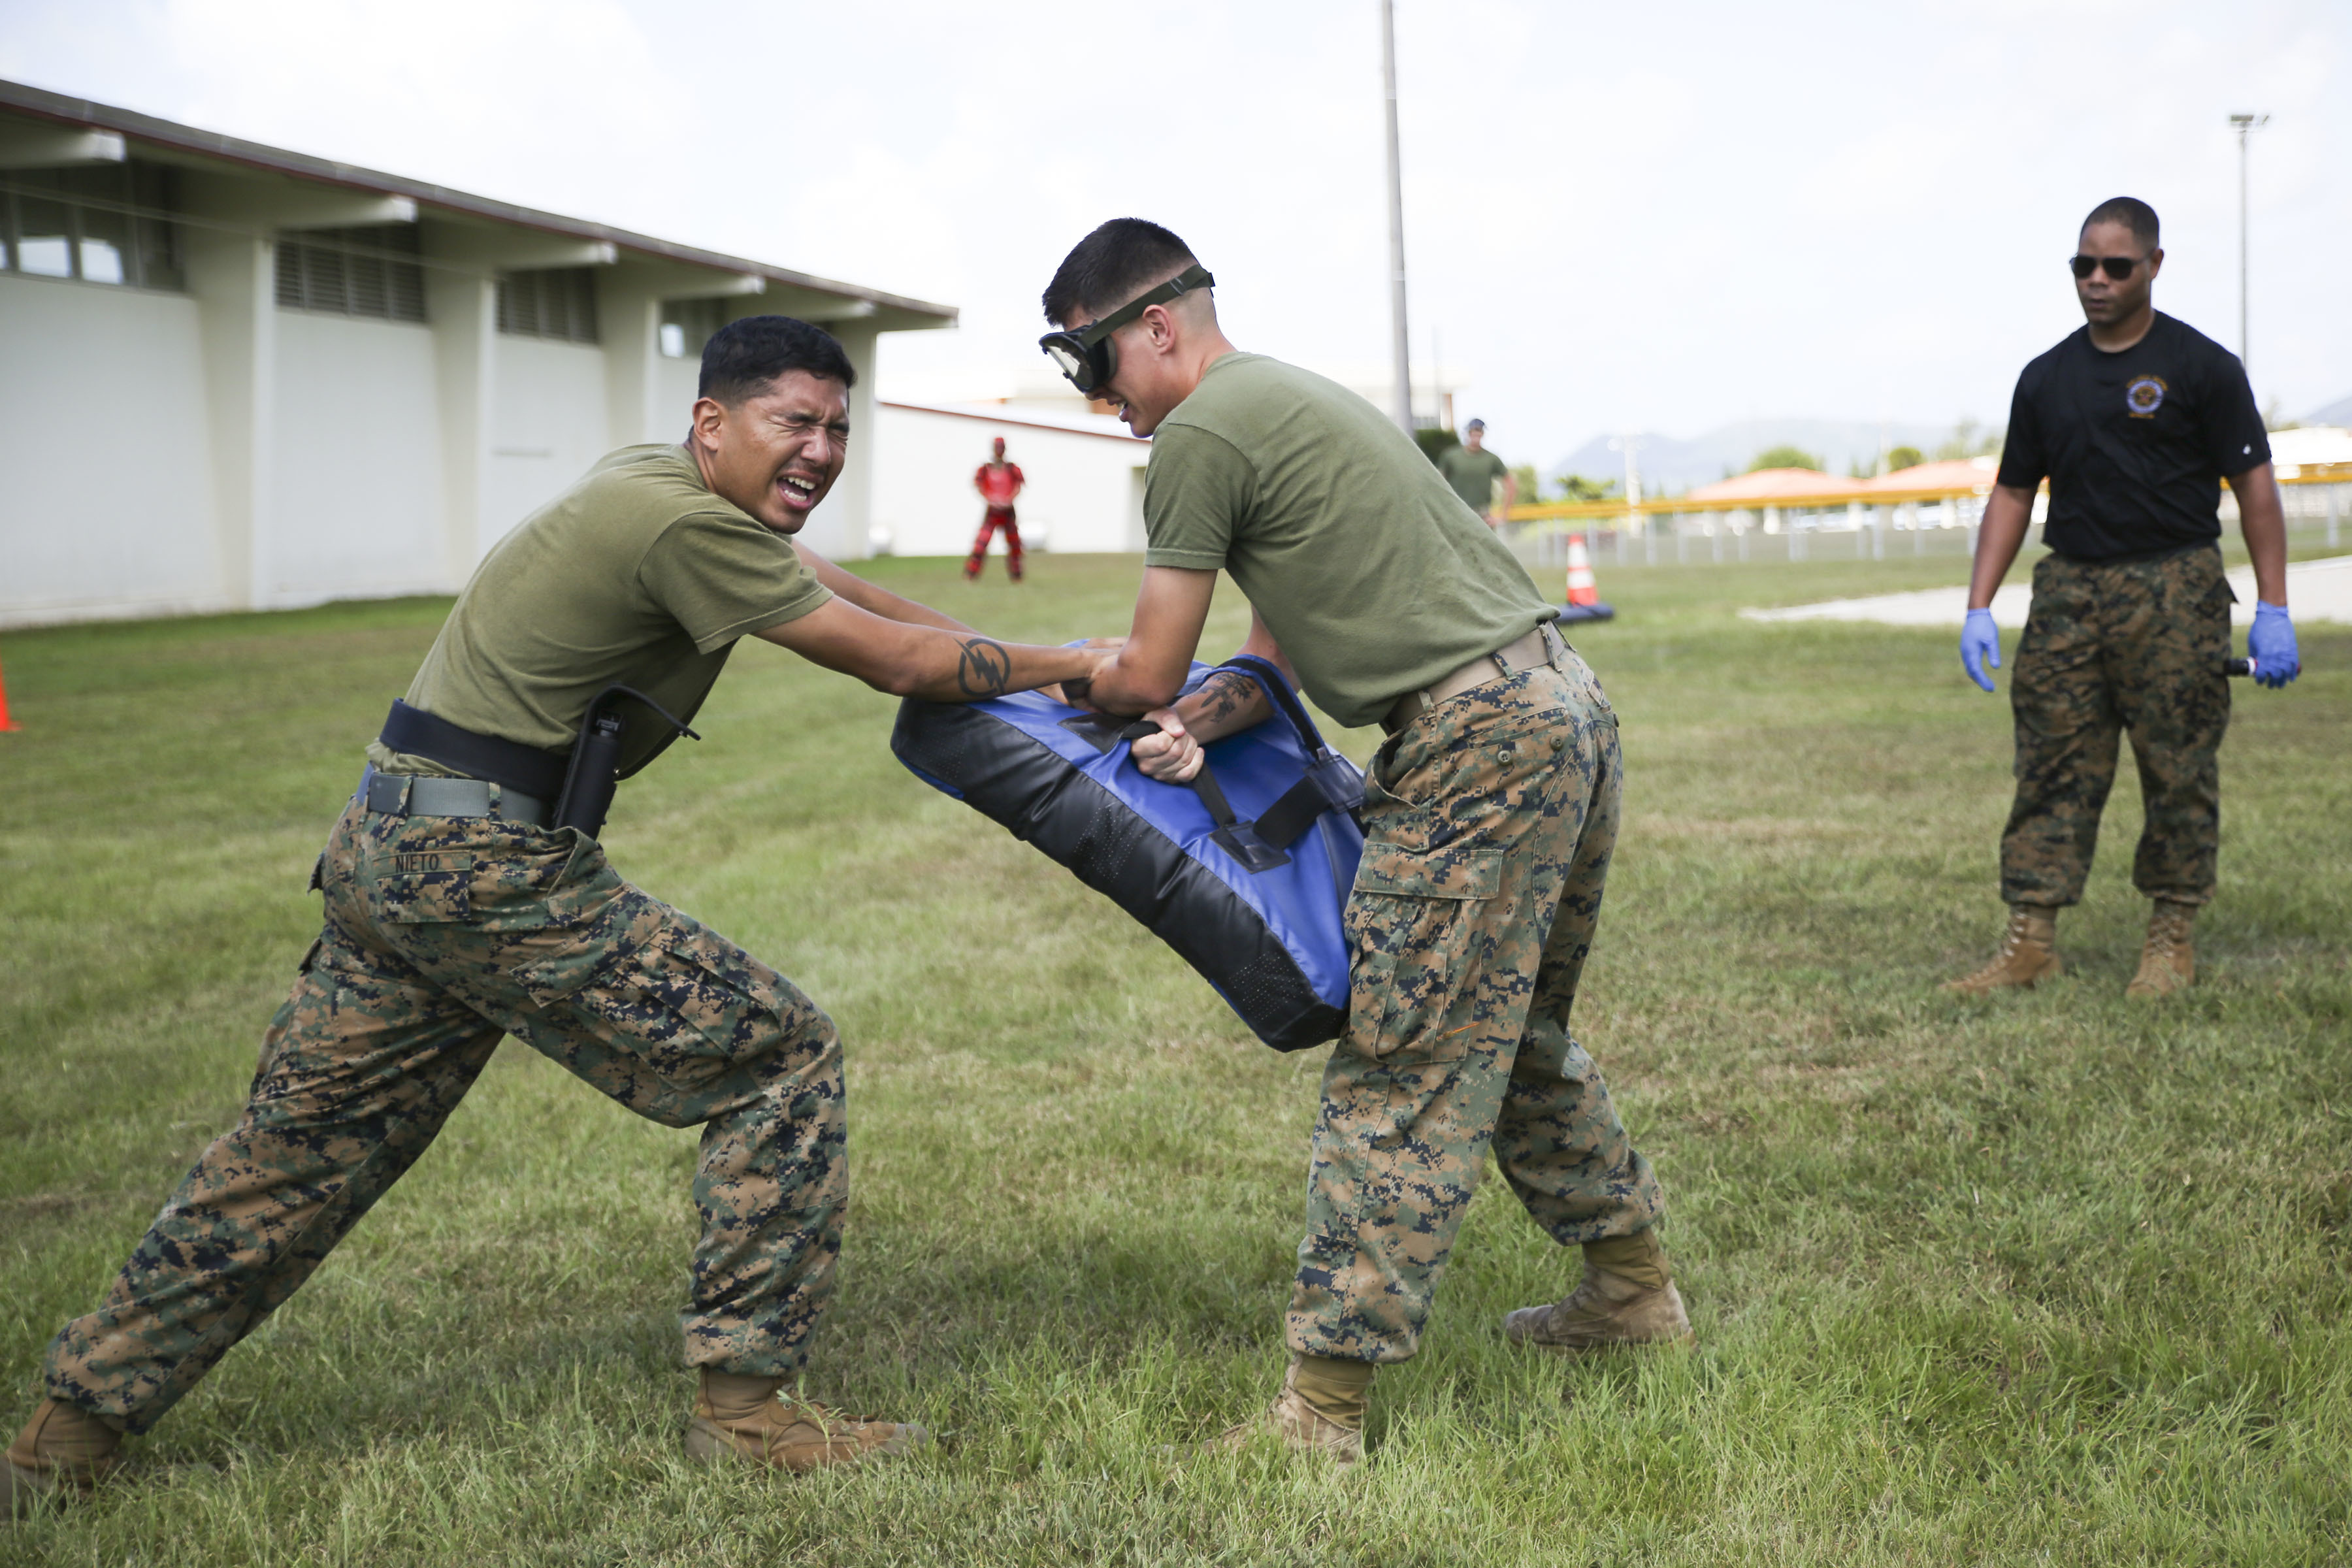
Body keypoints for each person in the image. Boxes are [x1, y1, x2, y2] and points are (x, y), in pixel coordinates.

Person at [5, 316, 1112, 1511]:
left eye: (839, 428)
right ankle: (746, 1414)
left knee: (294, 1154)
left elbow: (867, 602)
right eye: (795, 422)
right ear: (713, 424)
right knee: (781, 1059)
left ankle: (62, 1442)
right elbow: (894, 664)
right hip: (489, 867)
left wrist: (1043, 661)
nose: (823, 450)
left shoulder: (651, 478)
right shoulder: (688, 523)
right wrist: (1085, 667)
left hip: (390, 846)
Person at [1039, 220, 1683, 1465]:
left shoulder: (1201, 438)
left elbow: (1147, 662)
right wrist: (1190, 718)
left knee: (1406, 1063)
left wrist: (1084, 684)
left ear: (1158, 326)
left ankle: (1320, 1413)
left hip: (1479, 740)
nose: (1101, 395)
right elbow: (1263, 662)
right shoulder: (1285, 402)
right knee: (1511, 1034)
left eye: (1094, 362)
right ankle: (1632, 1294)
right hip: (1557, 709)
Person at [1946, 197, 2300, 1000]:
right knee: (2050, 765)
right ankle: (2031, 942)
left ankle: (2171, 938)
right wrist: (1978, 605)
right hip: (2070, 591)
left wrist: (2273, 607)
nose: (2097, 281)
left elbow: (2256, 489)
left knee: (2178, 768)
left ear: (2154, 267)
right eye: (2083, 266)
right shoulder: (2046, 377)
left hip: (2175, 586)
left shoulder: (2202, 368)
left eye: (2116, 266)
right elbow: (2010, 493)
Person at [965, 436, 1026, 581]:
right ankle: (971, 573)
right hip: (992, 511)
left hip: (1007, 511)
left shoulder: (1012, 468)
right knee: (981, 543)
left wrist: (1008, 499)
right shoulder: (986, 468)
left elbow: (1018, 486)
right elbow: (979, 486)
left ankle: (1017, 575)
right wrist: (991, 498)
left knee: (1014, 544)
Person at [1437, 417, 1517, 526]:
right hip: (1456, 512)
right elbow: (1437, 483)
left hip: (1483, 515)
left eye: (1479, 433)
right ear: (1468, 433)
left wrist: (1503, 516)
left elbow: (1510, 484)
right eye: (1473, 433)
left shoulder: (1491, 459)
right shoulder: (1451, 457)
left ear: (1483, 434)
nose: (1476, 437)